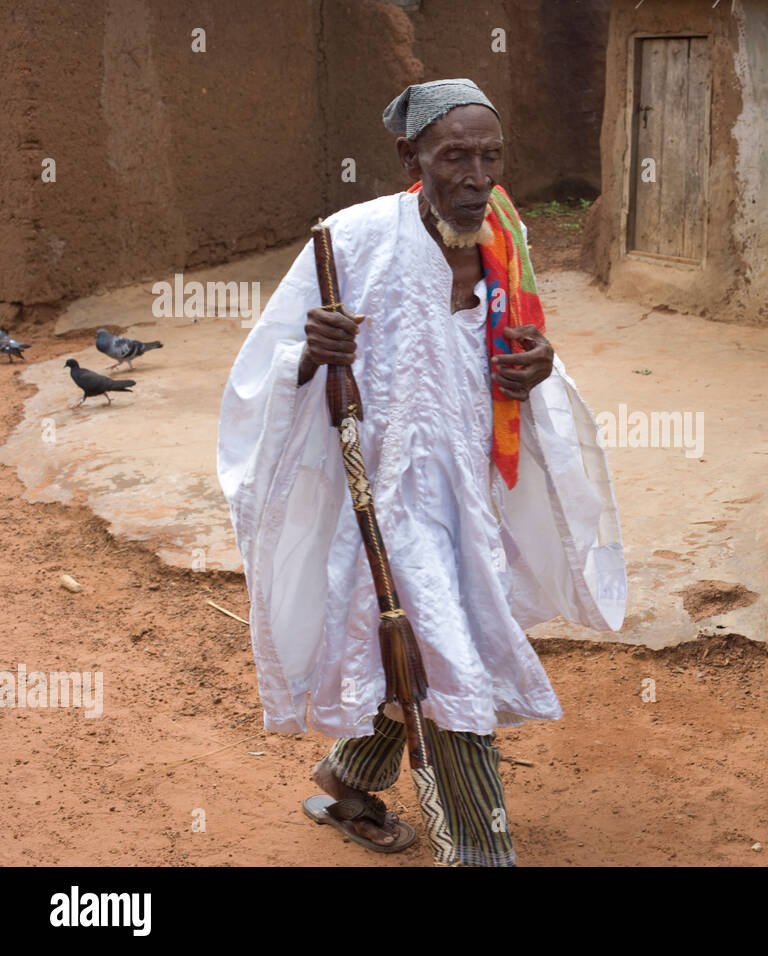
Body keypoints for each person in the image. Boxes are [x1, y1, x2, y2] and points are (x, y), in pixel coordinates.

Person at [217, 79, 626, 866]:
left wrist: (539, 367)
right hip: (379, 495)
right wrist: (311, 355)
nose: (477, 178)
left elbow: (518, 347)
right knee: (452, 653)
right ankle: (480, 847)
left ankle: (349, 773)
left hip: (469, 492)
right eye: (456, 158)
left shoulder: (504, 236)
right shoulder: (352, 238)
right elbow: (258, 374)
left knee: (415, 647)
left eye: (491, 157)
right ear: (412, 158)